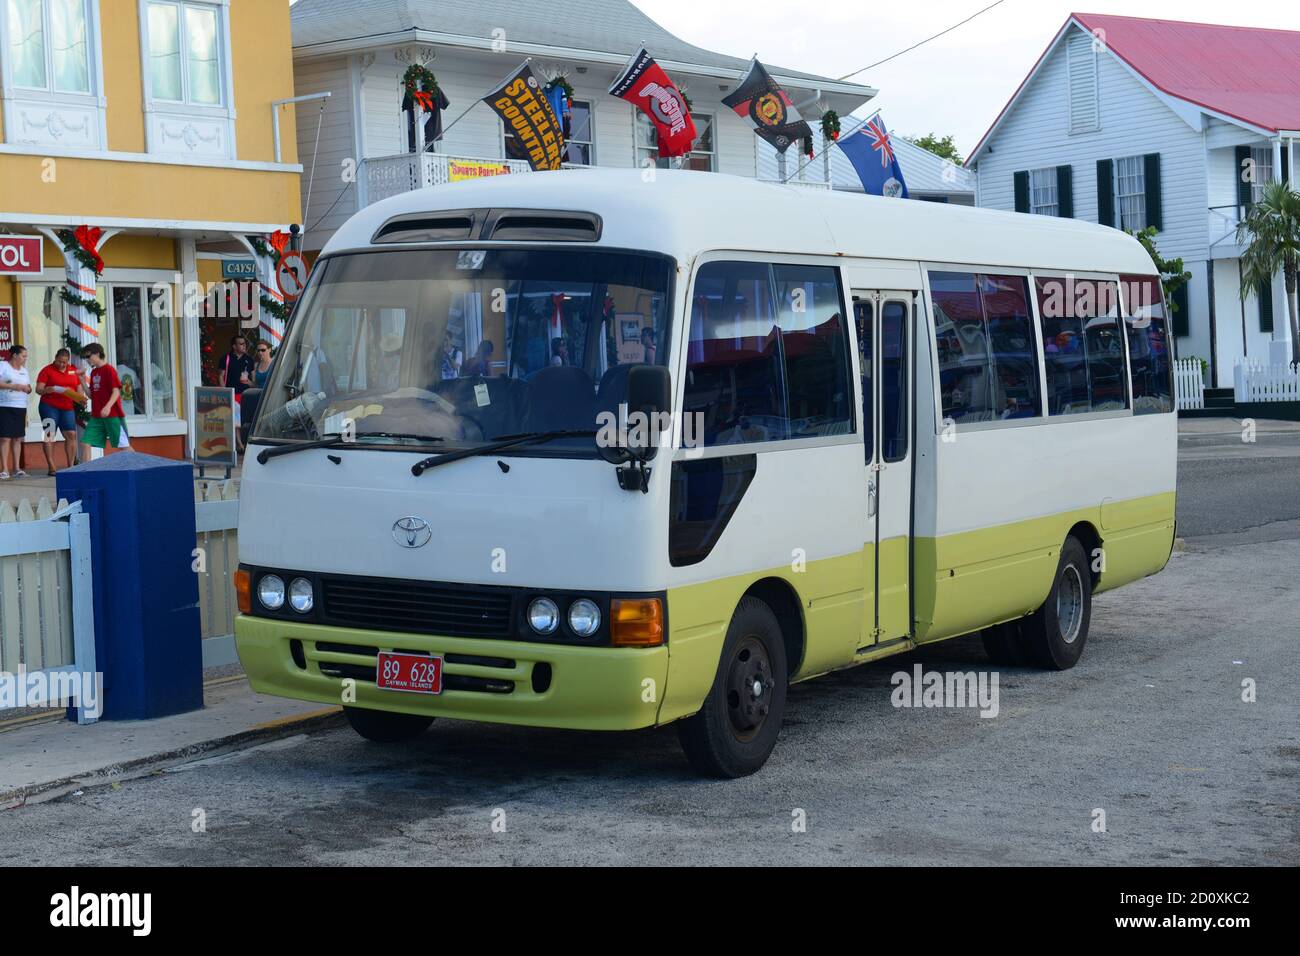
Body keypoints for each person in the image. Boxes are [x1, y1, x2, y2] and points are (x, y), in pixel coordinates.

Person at [35, 347, 83, 476]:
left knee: (71, 434)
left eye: (64, 362)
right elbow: (38, 389)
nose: (62, 364)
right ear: (55, 358)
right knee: (50, 435)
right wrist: (47, 389)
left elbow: (79, 388)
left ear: (68, 361)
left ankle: (71, 466)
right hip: (49, 406)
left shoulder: (73, 371)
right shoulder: (47, 370)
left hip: (67, 407)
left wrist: (80, 397)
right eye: (59, 361)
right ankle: (52, 467)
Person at [79, 343, 129, 461]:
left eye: (88, 356)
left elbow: (116, 391)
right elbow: (92, 395)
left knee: (124, 446)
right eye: (85, 357)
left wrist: (107, 407)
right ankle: (87, 473)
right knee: (85, 442)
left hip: (112, 415)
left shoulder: (109, 370)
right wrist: (81, 380)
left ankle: (140, 467)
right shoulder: (94, 372)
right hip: (97, 416)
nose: (87, 359)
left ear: (97, 353)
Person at [0, 344, 33, 479]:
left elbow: (29, 386)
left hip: (20, 406)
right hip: (5, 405)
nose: (25, 358)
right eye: (23, 356)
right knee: (5, 437)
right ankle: (4, 469)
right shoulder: (3, 366)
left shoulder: (24, 371)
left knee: (18, 437)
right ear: (15, 355)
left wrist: (27, 389)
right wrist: (14, 386)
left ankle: (17, 468)